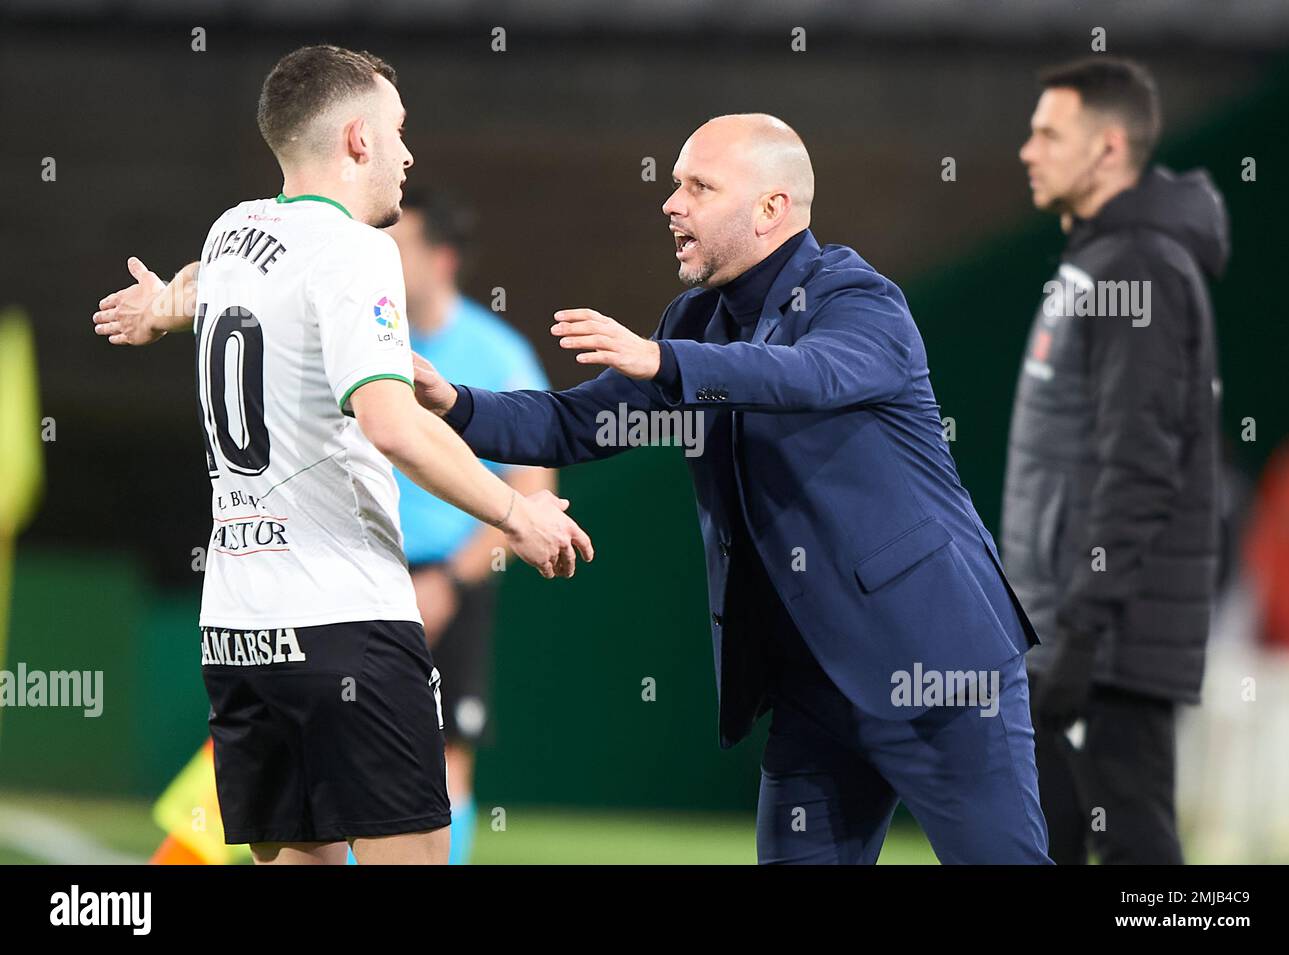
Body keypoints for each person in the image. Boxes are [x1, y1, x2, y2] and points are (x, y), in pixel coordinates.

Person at [414, 113, 1052, 864]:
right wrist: (452, 402)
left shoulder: (860, 298)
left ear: (771, 209)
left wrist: (666, 363)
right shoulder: (695, 321)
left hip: (938, 665)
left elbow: (805, 376)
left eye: (698, 185)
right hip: (812, 690)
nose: (670, 202)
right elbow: (576, 425)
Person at [90, 44, 592, 865]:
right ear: (358, 138)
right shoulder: (359, 251)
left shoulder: (233, 231)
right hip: (346, 621)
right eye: (398, 131)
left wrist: (165, 306)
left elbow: (204, 277)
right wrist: (516, 513)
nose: (408, 153)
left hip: (240, 632)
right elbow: (391, 424)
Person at [1003, 57, 1228, 864]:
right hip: (1067, 626)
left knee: (1135, 846)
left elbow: (1139, 464)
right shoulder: (1097, 263)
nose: (1027, 150)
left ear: (1106, 150)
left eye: (1047, 133)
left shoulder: (1137, 269)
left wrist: (1081, 626)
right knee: (1042, 836)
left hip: (1106, 638)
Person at [388, 189, 556, 864]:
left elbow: (534, 488)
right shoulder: (362, 337)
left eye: (398, 246)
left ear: (443, 258)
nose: (382, 260)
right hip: (359, 575)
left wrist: (448, 584)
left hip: (448, 579)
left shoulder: (498, 355)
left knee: (443, 756)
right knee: (343, 748)